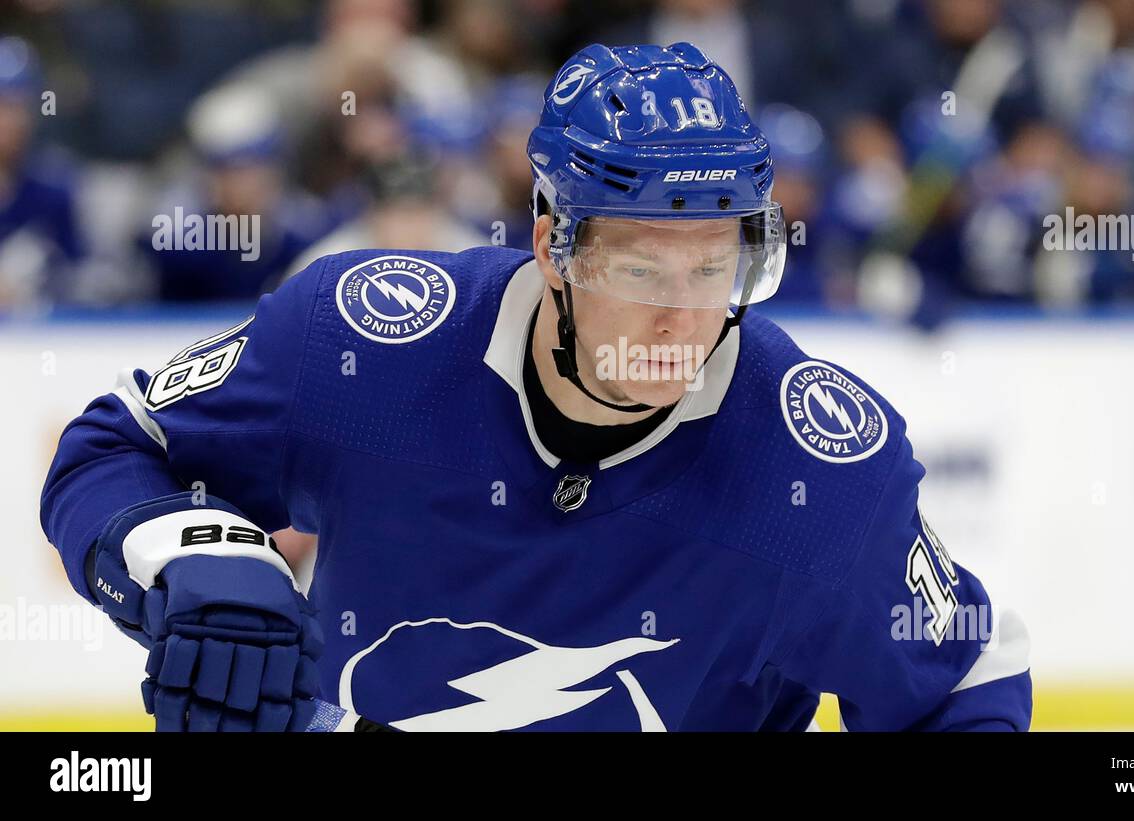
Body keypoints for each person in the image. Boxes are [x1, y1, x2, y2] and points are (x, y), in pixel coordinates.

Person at [40, 43, 1031, 731]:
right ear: (553, 245)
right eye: (641, 270)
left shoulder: (819, 465)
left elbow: (962, 682)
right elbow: (112, 445)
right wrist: (189, 550)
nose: (683, 322)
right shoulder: (367, 340)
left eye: (713, 268)